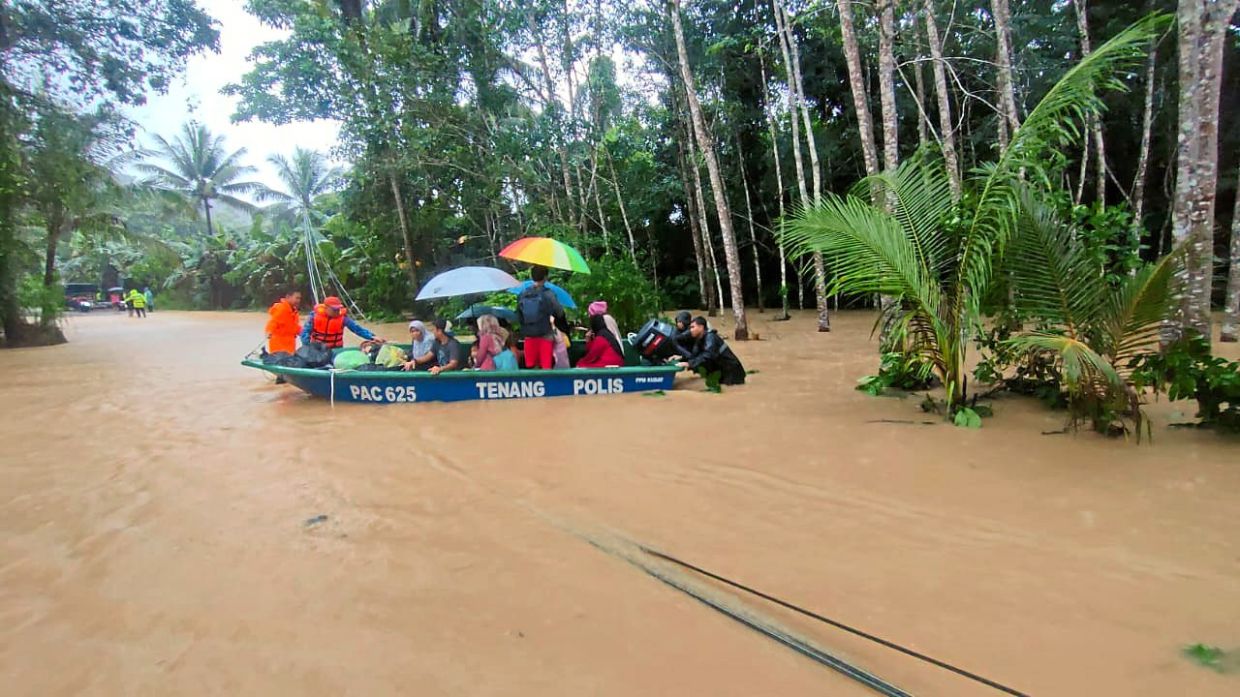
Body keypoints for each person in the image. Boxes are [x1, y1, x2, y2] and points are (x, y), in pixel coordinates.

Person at [516, 265, 565, 370]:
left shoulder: (523, 294)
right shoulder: (549, 294)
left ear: (531, 276)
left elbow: (519, 315)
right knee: (546, 367)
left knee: (531, 367)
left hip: (528, 336)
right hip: (545, 335)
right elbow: (559, 312)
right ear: (545, 277)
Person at [677, 317, 747, 385]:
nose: (690, 330)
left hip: (732, 373)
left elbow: (708, 355)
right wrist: (681, 358)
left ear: (701, 327)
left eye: (693, 327)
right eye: (690, 328)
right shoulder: (700, 339)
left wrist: (690, 364)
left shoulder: (710, 337)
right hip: (722, 372)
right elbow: (695, 355)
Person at [299, 296, 380, 349]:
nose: (337, 312)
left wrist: (372, 337)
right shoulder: (314, 316)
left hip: (336, 349)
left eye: (338, 309)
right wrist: (307, 346)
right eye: (334, 310)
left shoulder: (343, 319)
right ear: (326, 308)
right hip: (317, 349)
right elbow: (305, 332)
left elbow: (357, 329)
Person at [265, 289, 302, 355]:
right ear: (288, 297)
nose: (298, 300)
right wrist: (268, 331)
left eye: (299, 298)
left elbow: (295, 327)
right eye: (296, 298)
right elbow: (273, 322)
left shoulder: (294, 311)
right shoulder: (281, 309)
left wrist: (306, 333)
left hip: (290, 345)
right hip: (278, 346)